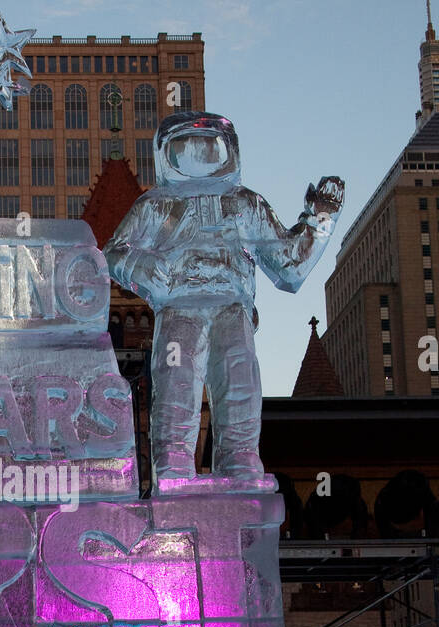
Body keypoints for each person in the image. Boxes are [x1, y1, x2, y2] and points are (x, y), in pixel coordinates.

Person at [106, 112, 344, 491]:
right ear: (168, 154)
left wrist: (320, 221)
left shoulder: (246, 204)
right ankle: (172, 462)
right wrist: (143, 264)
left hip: (232, 308)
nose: (199, 156)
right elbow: (113, 254)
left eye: (207, 148)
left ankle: (239, 459)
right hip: (180, 308)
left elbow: (288, 266)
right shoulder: (156, 206)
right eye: (187, 148)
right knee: (177, 382)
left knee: (239, 381)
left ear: (228, 152)